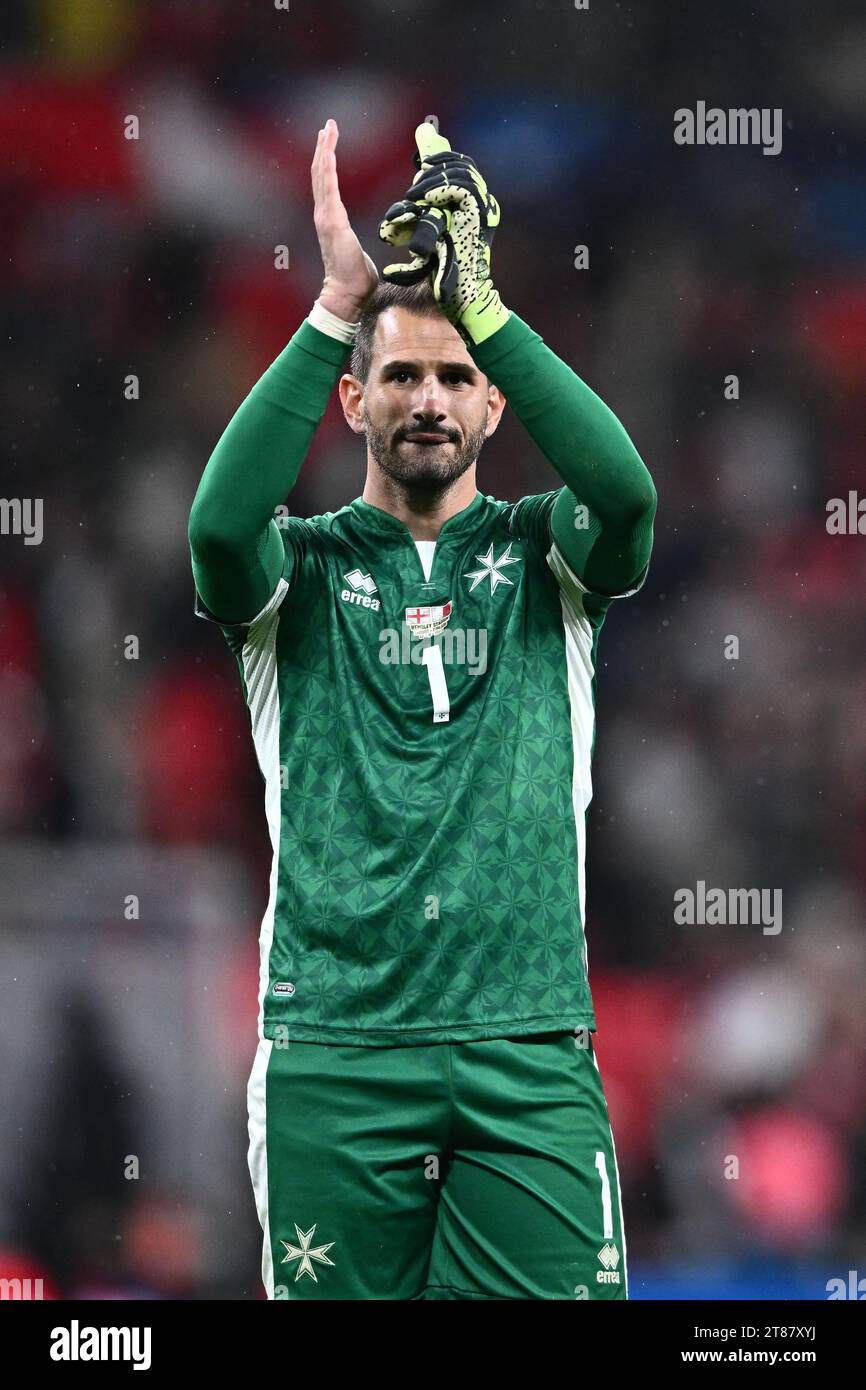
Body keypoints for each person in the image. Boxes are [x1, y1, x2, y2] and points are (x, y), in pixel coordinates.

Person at [187, 117, 656, 1300]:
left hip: (526, 1049)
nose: (430, 399)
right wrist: (330, 308)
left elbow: (626, 493)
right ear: (352, 400)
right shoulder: (290, 575)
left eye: (457, 377)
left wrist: (485, 306)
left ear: (496, 406)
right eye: (400, 373)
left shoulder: (548, 552)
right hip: (336, 1052)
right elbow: (213, 533)